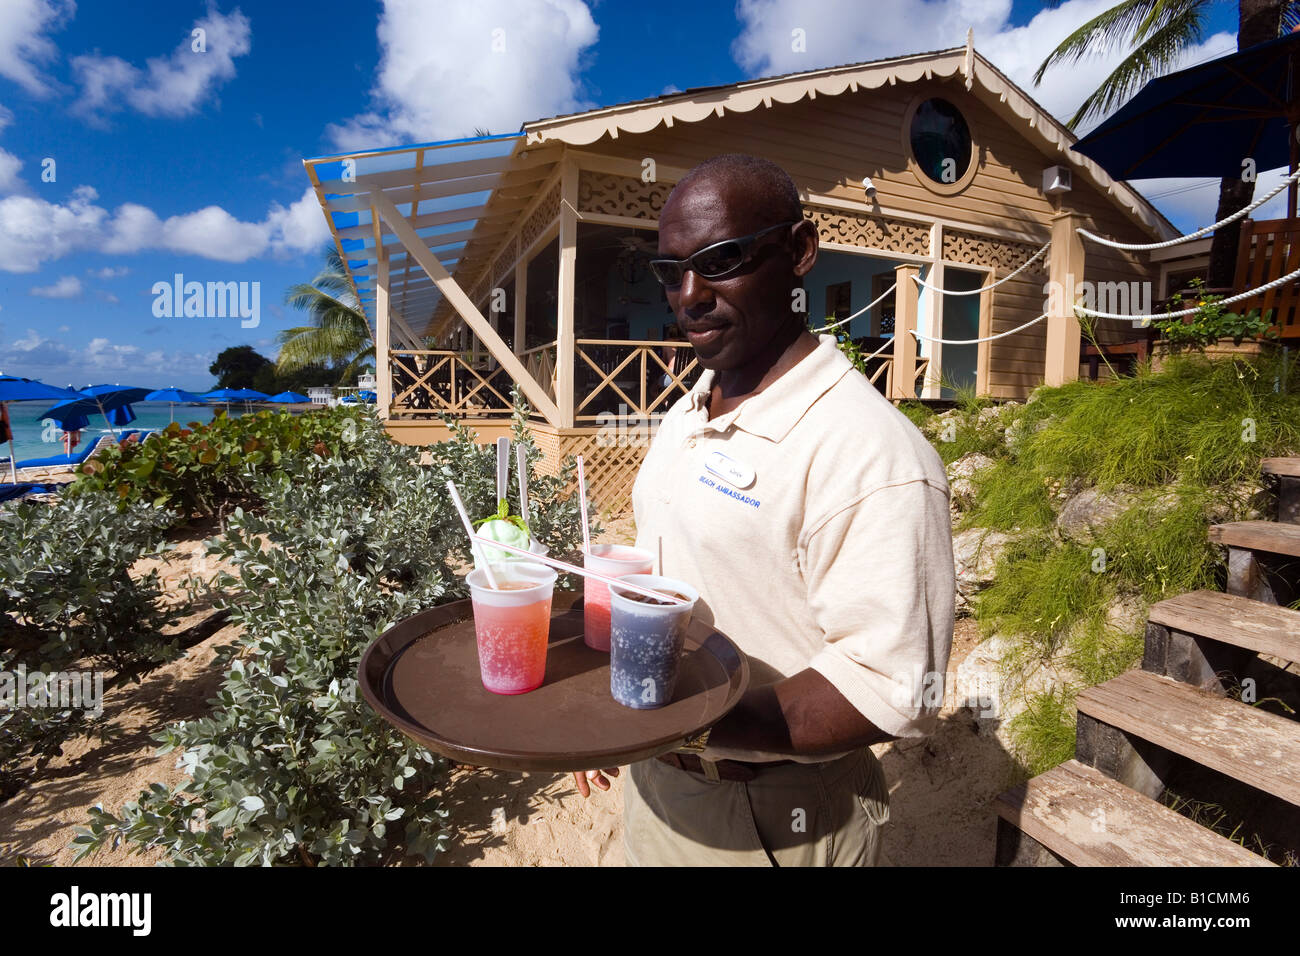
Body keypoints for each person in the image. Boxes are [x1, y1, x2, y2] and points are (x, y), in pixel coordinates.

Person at [573, 154, 955, 867]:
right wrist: (619, 719)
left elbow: (889, 690)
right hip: (659, 790)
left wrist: (670, 725)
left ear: (800, 251)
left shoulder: (873, 456)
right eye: (670, 271)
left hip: (775, 820)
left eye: (720, 261)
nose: (688, 296)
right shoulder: (689, 412)